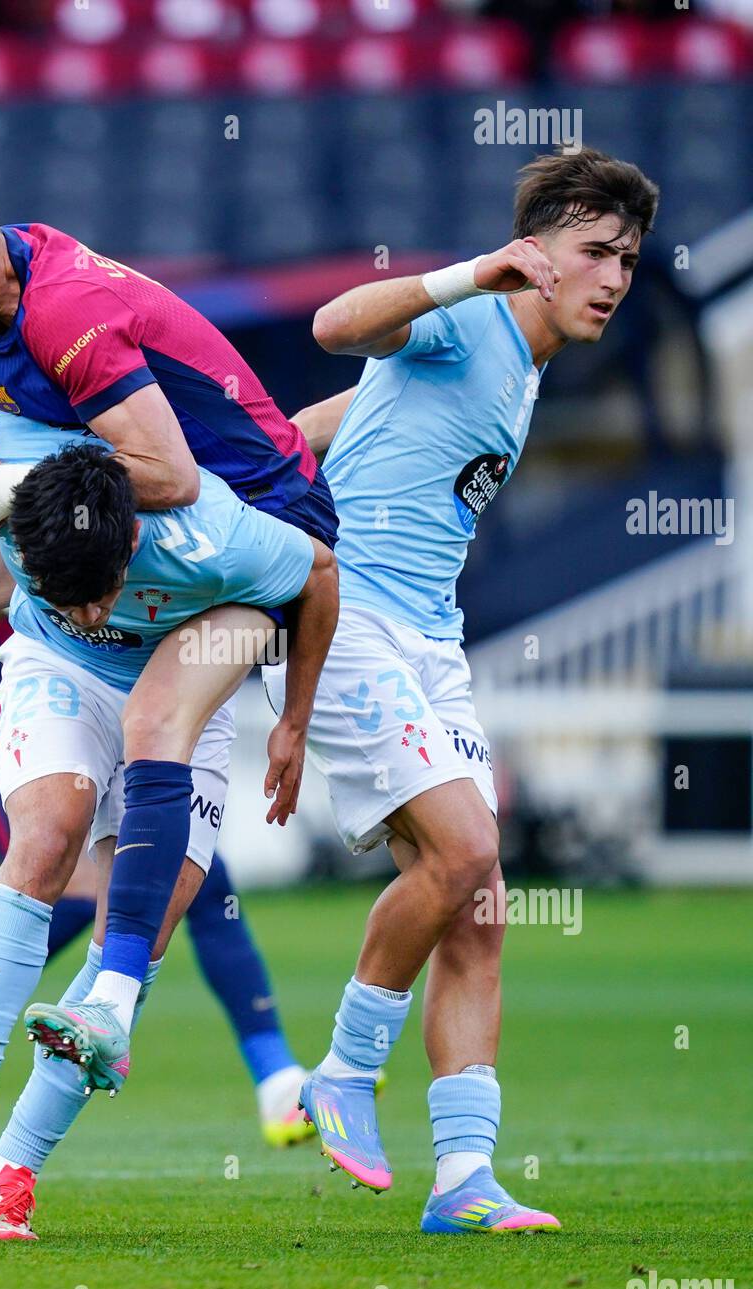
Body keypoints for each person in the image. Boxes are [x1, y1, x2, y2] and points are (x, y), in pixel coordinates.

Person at [0, 157, 339, 1072]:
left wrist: (295, 718)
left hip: (252, 526)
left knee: (154, 723)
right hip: (146, 518)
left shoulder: (66, 307)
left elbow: (173, 476)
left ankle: (129, 1010)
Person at [265, 147, 659, 1232]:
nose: (614, 277)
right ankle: (342, 1070)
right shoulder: (470, 313)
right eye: (593, 252)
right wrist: (464, 275)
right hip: (348, 619)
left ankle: (463, 1181)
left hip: (427, 641)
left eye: (625, 257)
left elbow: (336, 411)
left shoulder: (522, 363)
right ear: (531, 253)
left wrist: (281, 455)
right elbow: (336, 324)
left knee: (478, 911)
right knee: (470, 850)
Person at [0, 434, 321, 1152]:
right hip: (38, 683)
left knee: (179, 877)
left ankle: (270, 1072)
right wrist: (34, 579)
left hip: (145, 672)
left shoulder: (115, 452)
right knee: (85, 873)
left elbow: (298, 562)